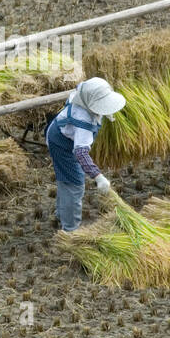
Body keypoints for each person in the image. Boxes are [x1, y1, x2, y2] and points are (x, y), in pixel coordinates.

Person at [46, 77, 125, 232]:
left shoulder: (83, 95)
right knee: (75, 185)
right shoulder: (82, 120)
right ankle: (70, 230)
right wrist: (98, 177)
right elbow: (81, 152)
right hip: (62, 145)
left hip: (61, 136)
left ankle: (61, 213)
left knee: (66, 181)